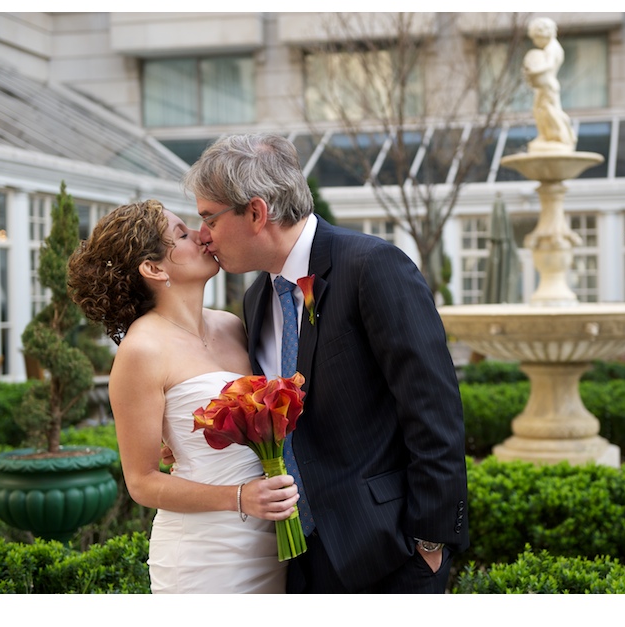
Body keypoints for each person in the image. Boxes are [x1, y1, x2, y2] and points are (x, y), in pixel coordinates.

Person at [180, 133, 469, 593]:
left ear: (255, 212)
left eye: (208, 217)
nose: (202, 235)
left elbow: (434, 411)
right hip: (296, 560)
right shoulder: (256, 300)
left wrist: (429, 542)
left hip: (390, 554)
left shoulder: (372, 266)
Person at [67, 199, 300, 593]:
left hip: (271, 540)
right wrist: (239, 497)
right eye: (182, 233)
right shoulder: (142, 351)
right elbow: (141, 482)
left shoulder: (232, 325)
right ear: (154, 269)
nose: (203, 234)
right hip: (203, 554)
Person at [523, 16, 577, 151]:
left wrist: (533, 70)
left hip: (548, 85)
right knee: (539, 110)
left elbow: (549, 65)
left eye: (536, 37)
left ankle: (562, 136)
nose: (535, 41)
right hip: (543, 85)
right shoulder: (548, 48)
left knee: (551, 111)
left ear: (543, 34)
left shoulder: (553, 48)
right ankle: (545, 135)